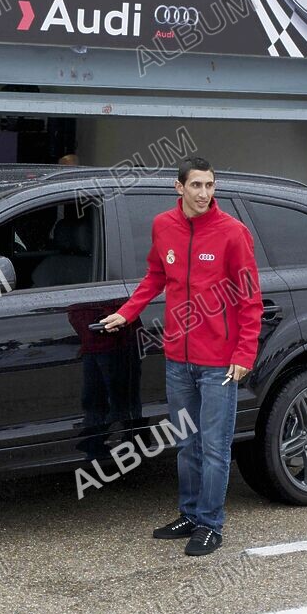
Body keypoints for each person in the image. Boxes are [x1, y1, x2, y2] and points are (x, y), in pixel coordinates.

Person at [101, 157, 263, 556]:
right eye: (196, 186)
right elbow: (156, 275)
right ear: (179, 188)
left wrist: (245, 352)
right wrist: (128, 312)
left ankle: (211, 523)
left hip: (219, 364)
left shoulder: (233, 234)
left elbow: (250, 299)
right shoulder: (163, 226)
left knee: (214, 446)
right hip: (179, 358)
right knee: (187, 443)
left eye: (209, 185)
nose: (204, 193)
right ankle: (189, 513)